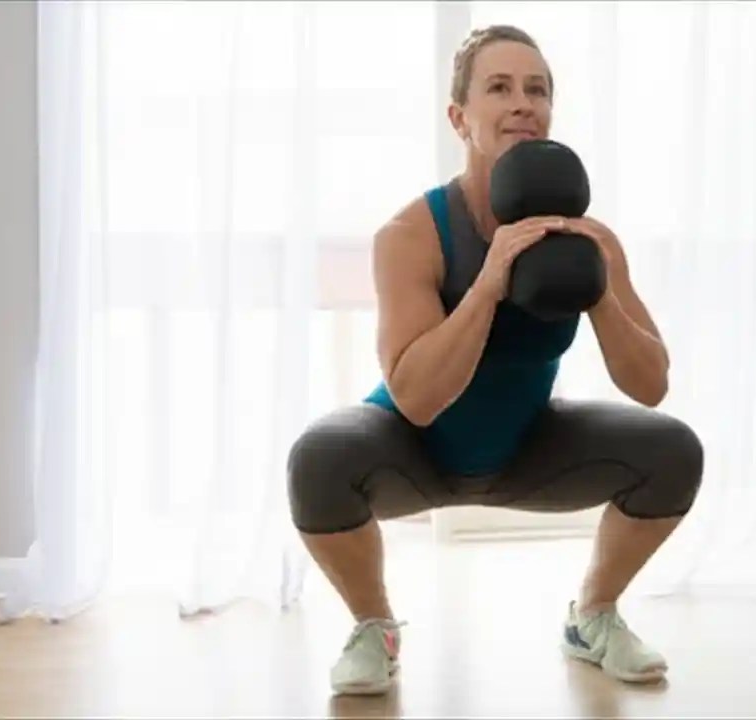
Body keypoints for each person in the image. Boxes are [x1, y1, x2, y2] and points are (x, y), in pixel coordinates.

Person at [287, 24, 704, 697]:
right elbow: (417, 397)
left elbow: (651, 384)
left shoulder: (591, 238)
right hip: (413, 446)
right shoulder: (410, 234)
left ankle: (592, 617)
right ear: (460, 117)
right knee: (319, 459)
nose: (522, 103)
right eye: (500, 88)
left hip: (525, 445)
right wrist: (487, 283)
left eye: (537, 90)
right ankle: (374, 627)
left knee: (673, 451)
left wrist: (595, 287)